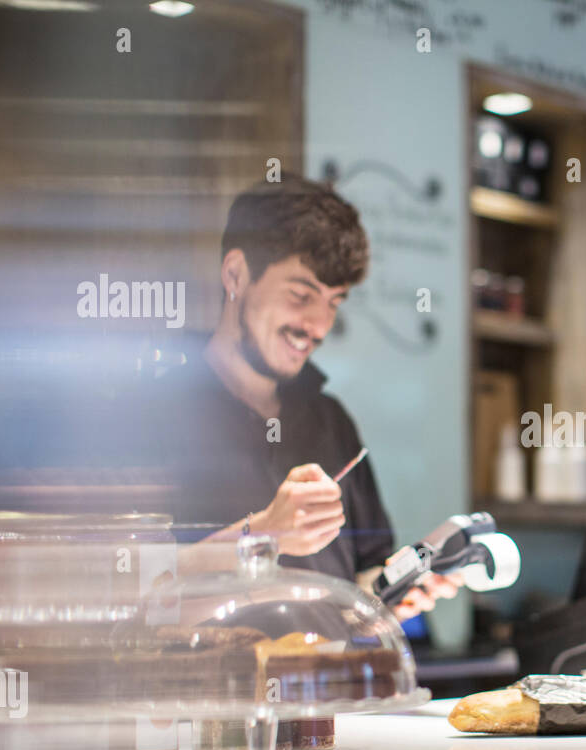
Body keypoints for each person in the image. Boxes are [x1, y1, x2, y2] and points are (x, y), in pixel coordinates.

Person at [139, 174, 459, 621]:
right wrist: (262, 536)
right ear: (236, 274)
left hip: (331, 687)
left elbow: (361, 581)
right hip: (206, 687)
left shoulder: (332, 421)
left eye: (333, 301)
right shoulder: (147, 415)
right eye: (301, 294)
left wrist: (396, 589)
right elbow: (128, 590)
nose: (318, 325)